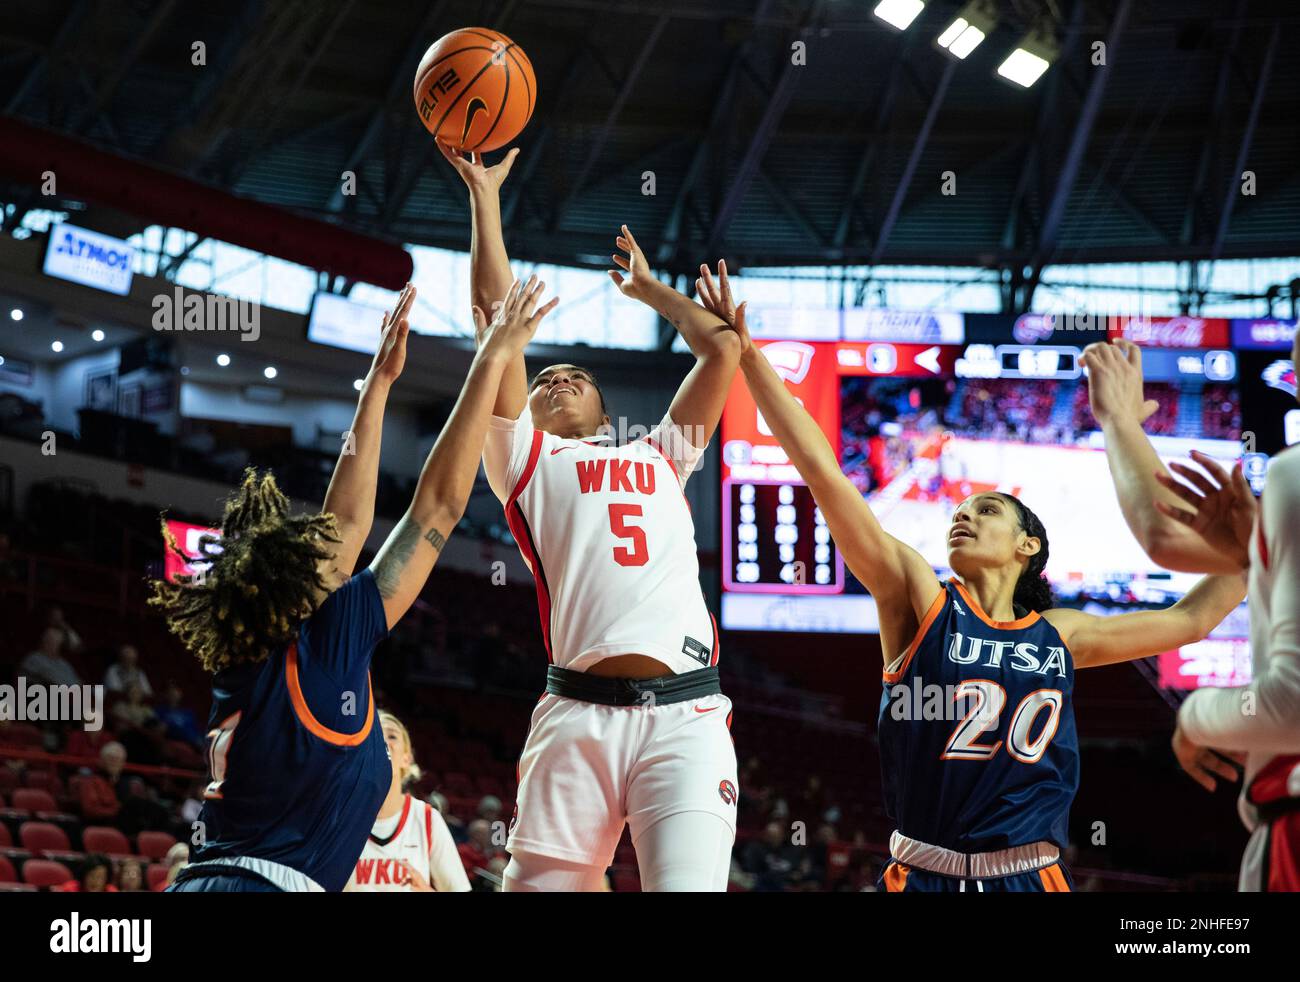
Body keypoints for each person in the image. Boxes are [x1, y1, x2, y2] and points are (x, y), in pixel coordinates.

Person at [702, 266, 1246, 892]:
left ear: (1028, 545)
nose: (963, 516)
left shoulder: (1060, 636)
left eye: (985, 511)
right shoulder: (916, 597)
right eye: (960, 513)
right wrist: (749, 357)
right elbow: (824, 472)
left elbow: (1191, 620)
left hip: (1028, 877)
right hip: (921, 870)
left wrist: (1259, 543)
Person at [158, 281, 552, 892]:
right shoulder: (324, 652)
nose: (328, 555)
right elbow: (435, 512)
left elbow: (342, 523)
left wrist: (378, 388)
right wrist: (490, 359)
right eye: (312, 561)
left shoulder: (248, 660)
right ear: (292, 592)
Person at [440, 142, 743, 892]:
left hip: (686, 716)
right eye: (546, 378)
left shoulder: (662, 456)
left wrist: (650, 292)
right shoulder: (523, 459)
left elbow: (722, 351)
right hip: (575, 714)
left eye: (576, 376)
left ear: (606, 412)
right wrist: (484, 199)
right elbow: (494, 329)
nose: (561, 378)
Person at [1081, 333, 1300, 891]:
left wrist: (1195, 717)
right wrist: (1259, 560)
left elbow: (1292, 705)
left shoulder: (1291, 477)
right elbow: (1175, 542)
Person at [345, 711, 470, 892]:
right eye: (376, 734)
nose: (383, 741)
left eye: (392, 736)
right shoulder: (340, 817)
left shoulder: (427, 818)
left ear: (407, 759)